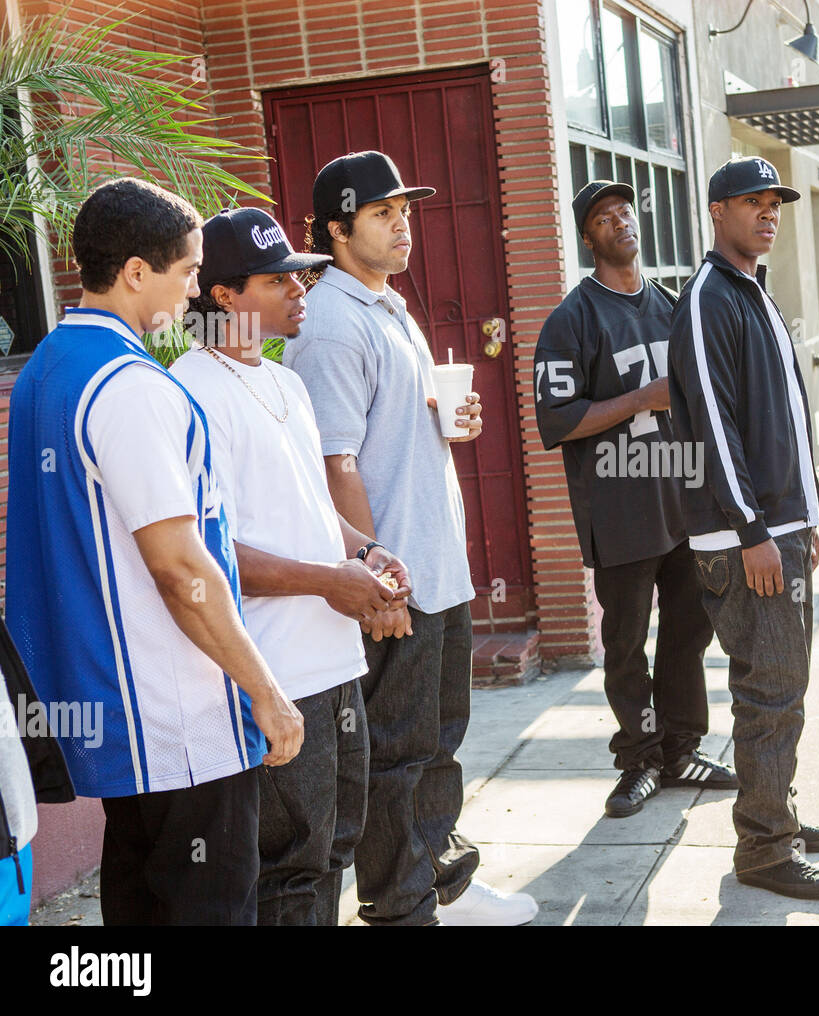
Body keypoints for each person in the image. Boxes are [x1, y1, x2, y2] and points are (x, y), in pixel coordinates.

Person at [6, 178, 304, 925]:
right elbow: (180, 566)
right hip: (178, 722)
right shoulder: (131, 386)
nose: (195, 289)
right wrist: (265, 691)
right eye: (188, 270)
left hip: (115, 717)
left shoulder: (44, 368)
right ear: (137, 272)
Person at [287, 150, 536, 926]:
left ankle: (439, 883)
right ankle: (402, 908)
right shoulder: (331, 324)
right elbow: (333, 464)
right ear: (336, 230)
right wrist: (374, 577)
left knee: (437, 744)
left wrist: (446, 422)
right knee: (395, 755)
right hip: (396, 579)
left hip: (434, 565)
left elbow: (388, 434)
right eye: (381, 214)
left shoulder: (389, 307)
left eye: (405, 212)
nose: (402, 226)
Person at [171, 207, 417, 925]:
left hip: (333, 662)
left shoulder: (287, 384)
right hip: (275, 674)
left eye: (299, 275)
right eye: (278, 279)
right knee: (290, 868)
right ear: (224, 296)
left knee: (335, 847)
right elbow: (208, 556)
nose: (299, 288)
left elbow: (312, 510)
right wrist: (329, 582)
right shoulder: (190, 392)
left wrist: (365, 552)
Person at [668, 156, 819, 901]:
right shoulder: (710, 297)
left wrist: (806, 515)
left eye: (775, 203)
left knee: (784, 686)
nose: (768, 213)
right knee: (768, 690)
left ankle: (778, 815)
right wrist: (752, 530)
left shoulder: (754, 290)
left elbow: (784, 419)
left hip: (779, 526)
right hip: (744, 537)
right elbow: (713, 424)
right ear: (718, 211)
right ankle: (766, 849)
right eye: (753, 202)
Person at [535, 180, 736, 819]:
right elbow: (557, 420)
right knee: (625, 644)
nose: (619, 220)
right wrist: (641, 399)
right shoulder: (571, 319)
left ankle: (680, 749)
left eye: (624, 210)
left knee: (687, 634)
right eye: (603, 217)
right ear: (587, 237)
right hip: (619, 509)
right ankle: (640, 758)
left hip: (684, 500)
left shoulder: (674, 305)